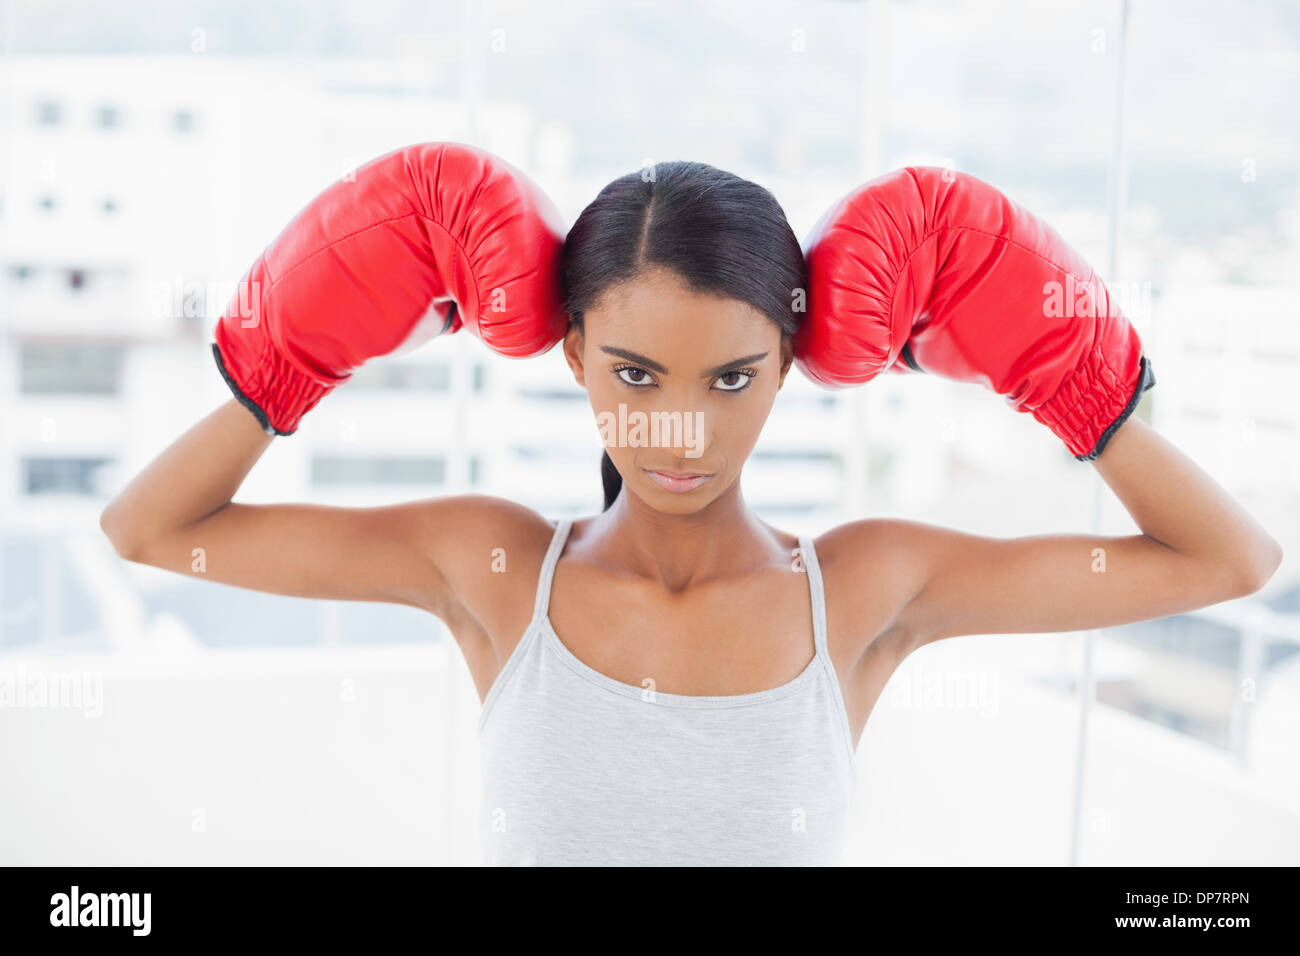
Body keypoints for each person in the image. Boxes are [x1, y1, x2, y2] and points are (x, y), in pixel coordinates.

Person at [100, 143, 1283, 866]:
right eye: (634, 374)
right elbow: (151, 528)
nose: (683, 428)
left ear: (786, 363)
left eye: (730, 377)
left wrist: (1079, 387)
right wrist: (282, 366)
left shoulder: (862, 587)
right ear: (570, 355)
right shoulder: (492, 565)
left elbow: (1228, 559)